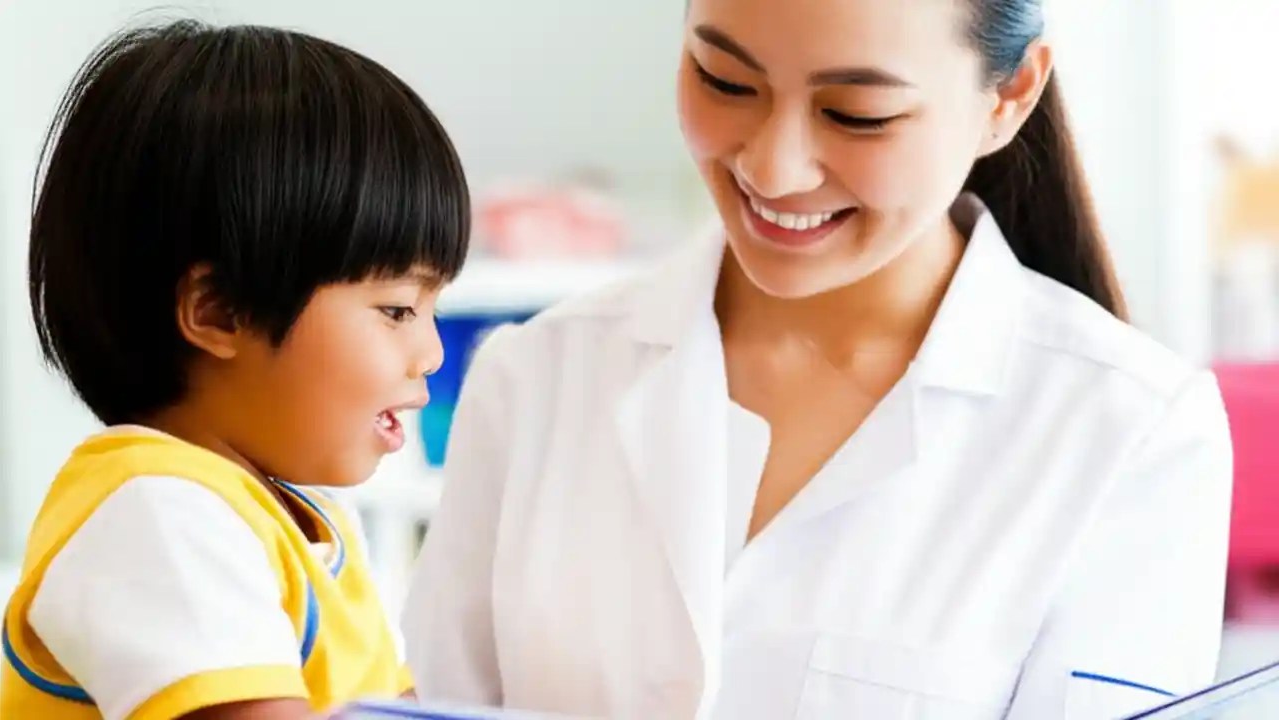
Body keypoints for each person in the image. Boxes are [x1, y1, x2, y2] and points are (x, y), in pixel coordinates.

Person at [402, 0, 1234, 718]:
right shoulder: (536, 377)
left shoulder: (1136, 435)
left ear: (1009, 96)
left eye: (857, 113)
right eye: (725, 82)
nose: (772, 166)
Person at [0, 20, 469, 720]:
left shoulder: (307, 526)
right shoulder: (155, 511)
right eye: (398, 309)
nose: (430, 353)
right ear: (219, 313)